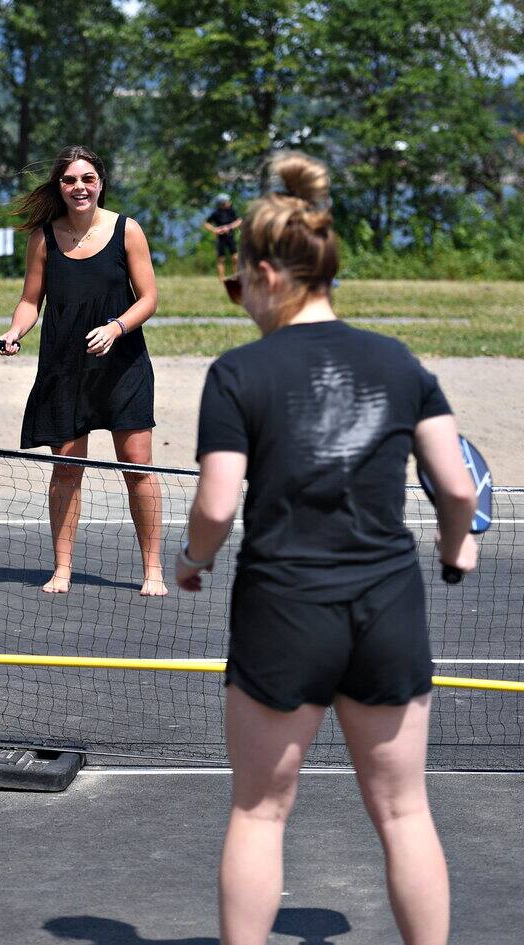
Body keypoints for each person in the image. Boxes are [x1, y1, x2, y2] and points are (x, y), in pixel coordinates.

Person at [175, 151, 477, 945]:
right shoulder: (400, 362)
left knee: (259, 810)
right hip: (386, 605)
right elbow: (459, 489)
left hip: (285, 607)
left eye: (240, 276)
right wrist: (455, 551)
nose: (237, 294)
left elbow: (214, 503)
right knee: (406, 810)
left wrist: (193, 557)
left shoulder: (238, 373)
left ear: (270, 273)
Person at [0, 145, 166, 596]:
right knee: (67, 470)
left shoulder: (127, 230)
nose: (79, 188)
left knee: (138, 468)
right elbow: (31, 301)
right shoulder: (44, 238)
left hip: (123, 365)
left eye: (87, 179)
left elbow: (148, 298)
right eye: (70, 180)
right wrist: (15, 331)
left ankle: (152, 570)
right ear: (59, 186)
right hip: (64, 366)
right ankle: (62, 569)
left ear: (101, 183)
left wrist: (116, 327)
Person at [204, 193, 241, 281]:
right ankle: (222, 278)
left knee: (235, 257)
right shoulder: (216, 213)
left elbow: (239, 221)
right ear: (222, 203)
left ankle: (236, 276)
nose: (229, 203)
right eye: (228, 201)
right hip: (221, 238)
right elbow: (206, 223)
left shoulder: (231, 211)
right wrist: (214, 230)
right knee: (221, 259)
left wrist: (229, 227)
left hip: (230, 236)